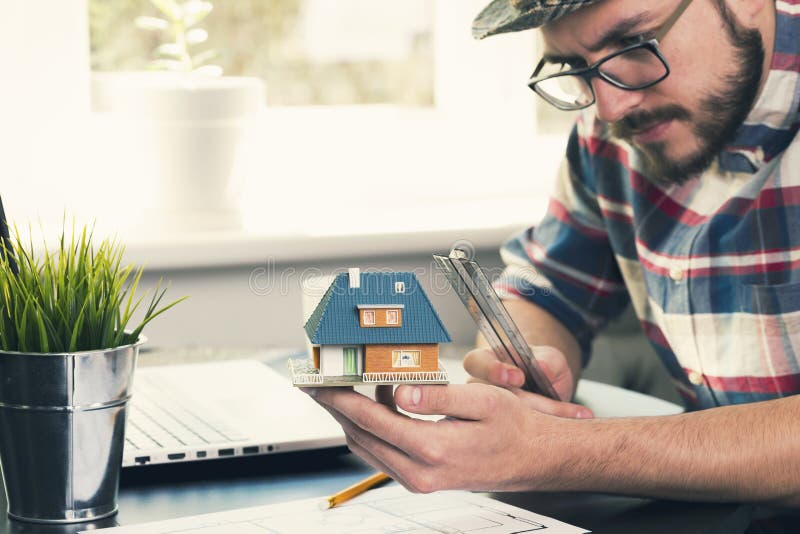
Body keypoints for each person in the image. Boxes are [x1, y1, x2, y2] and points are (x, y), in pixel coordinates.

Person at [303, 0, 800, 510]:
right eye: (575, 66)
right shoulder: (615, 133)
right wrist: (524, 365)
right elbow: (545, 287)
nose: (609, 108)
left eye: (635, 46)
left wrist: (550, 450)